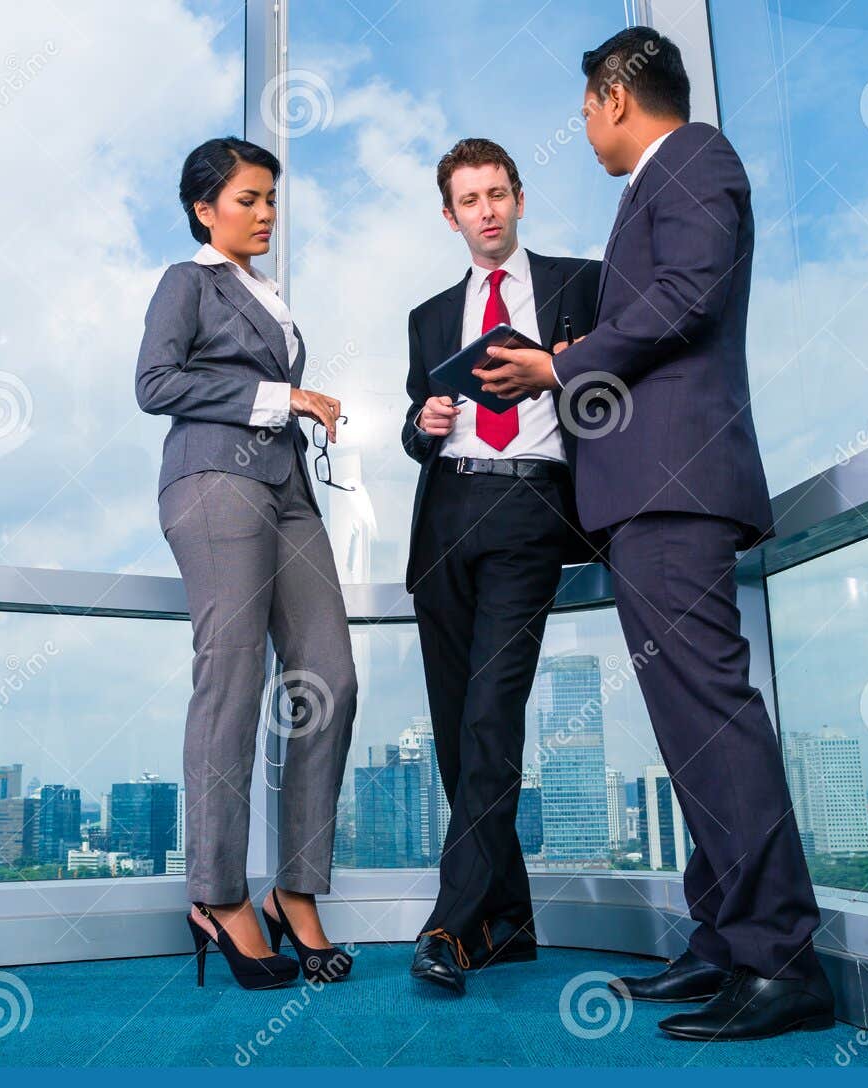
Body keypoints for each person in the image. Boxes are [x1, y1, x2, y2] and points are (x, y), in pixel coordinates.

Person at [474, 28, 834, 1041]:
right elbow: (665, 309)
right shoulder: (653, 187)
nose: (586, 128)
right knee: (688, 728)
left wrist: (561, 366)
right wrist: (580, 354)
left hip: (675, 486)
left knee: (711, 720)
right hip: (645, 492)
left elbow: (687, 296)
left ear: (617, 97)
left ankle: (780, 958)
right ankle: (723, 939)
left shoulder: (695, 158)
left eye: (587, 109)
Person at [135, 136, 357, 991]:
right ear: (205, 209)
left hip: (287, 487)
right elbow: (155, 383)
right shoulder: (186, 282)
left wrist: (291, 406)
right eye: (248, 199)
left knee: (329, 676)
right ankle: (218, 893)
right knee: (231, 679)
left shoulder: (265, 291)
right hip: (213, 481)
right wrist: (283, 396)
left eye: (271, 199)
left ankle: (293, 889)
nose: (266, 214)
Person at [400, 138, 603, 996]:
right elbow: (414, 425)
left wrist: (557, 374)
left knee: (492, 715)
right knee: (458, 731)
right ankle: (508, 920)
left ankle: (449, 925)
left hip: (530, 506)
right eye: (468, 200)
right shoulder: (428, 316)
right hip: (447, 514)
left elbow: (612, 386)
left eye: (496, 193)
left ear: (519, 197)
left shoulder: (579, 283)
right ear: (450, 217)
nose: (485, 210)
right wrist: (423, 422)